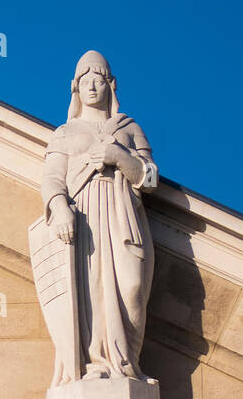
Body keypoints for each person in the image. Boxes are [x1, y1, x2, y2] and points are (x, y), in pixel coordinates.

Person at [40, 50, 158, 381]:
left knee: (131, 285)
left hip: (122, 216)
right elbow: (52, 177)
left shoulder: (129, 128)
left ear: (111, 84)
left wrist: (119, 157)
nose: (92, 86)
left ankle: (126, 365)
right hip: (85, 219)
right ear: (75, 88)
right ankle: (93, 363)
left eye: (99, 79)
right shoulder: (65, 132)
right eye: (85, 80)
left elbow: (150, 180)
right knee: (90, 287)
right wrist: (59, 207)